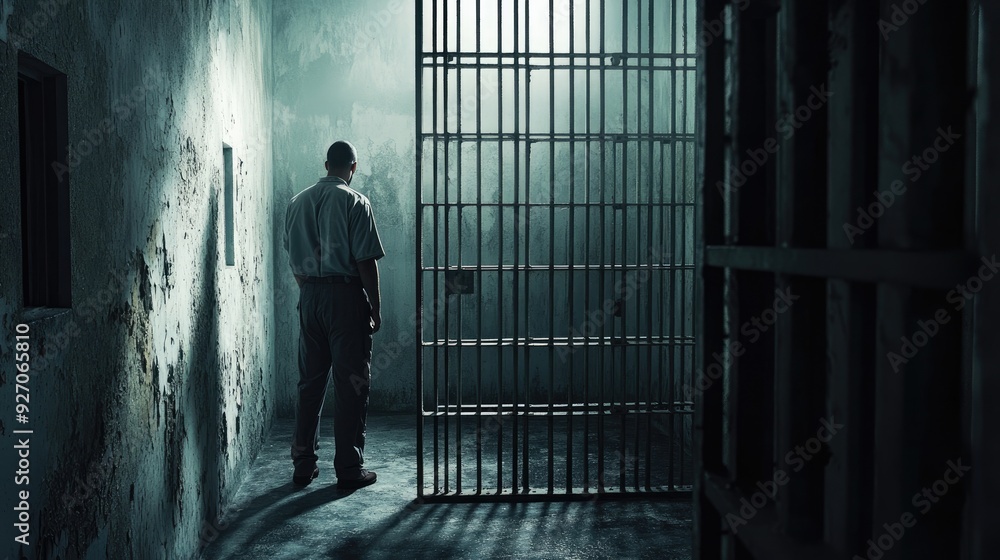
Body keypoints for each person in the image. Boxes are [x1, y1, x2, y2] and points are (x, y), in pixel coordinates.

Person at [283, 141, 384, 489]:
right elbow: (365, 260)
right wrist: (375, 305)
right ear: (353, 167)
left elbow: (294, 258)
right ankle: (349, 468)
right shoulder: (356, 202)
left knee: (309, 384)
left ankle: (303, 464)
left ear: (326, 163)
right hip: (345, 298)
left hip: (309, 295)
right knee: (351, 384)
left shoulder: (297, 202)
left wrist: (311, 292)